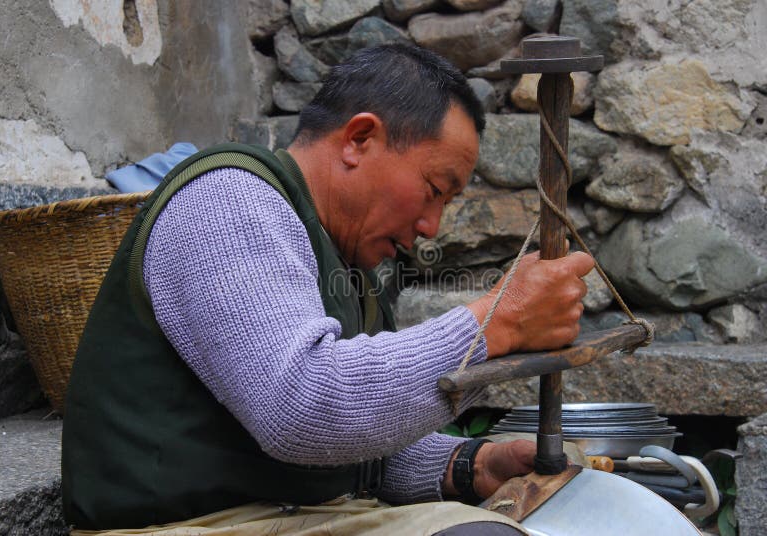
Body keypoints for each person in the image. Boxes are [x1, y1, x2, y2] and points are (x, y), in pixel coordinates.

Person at [62, 44, 593, 535]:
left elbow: (350, 454)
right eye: (434, 190)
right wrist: (498, 323)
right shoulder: (226, 203)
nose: (432, 225)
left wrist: (469, 466)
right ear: (360, 139)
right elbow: (302, 409)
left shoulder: (351, 259)